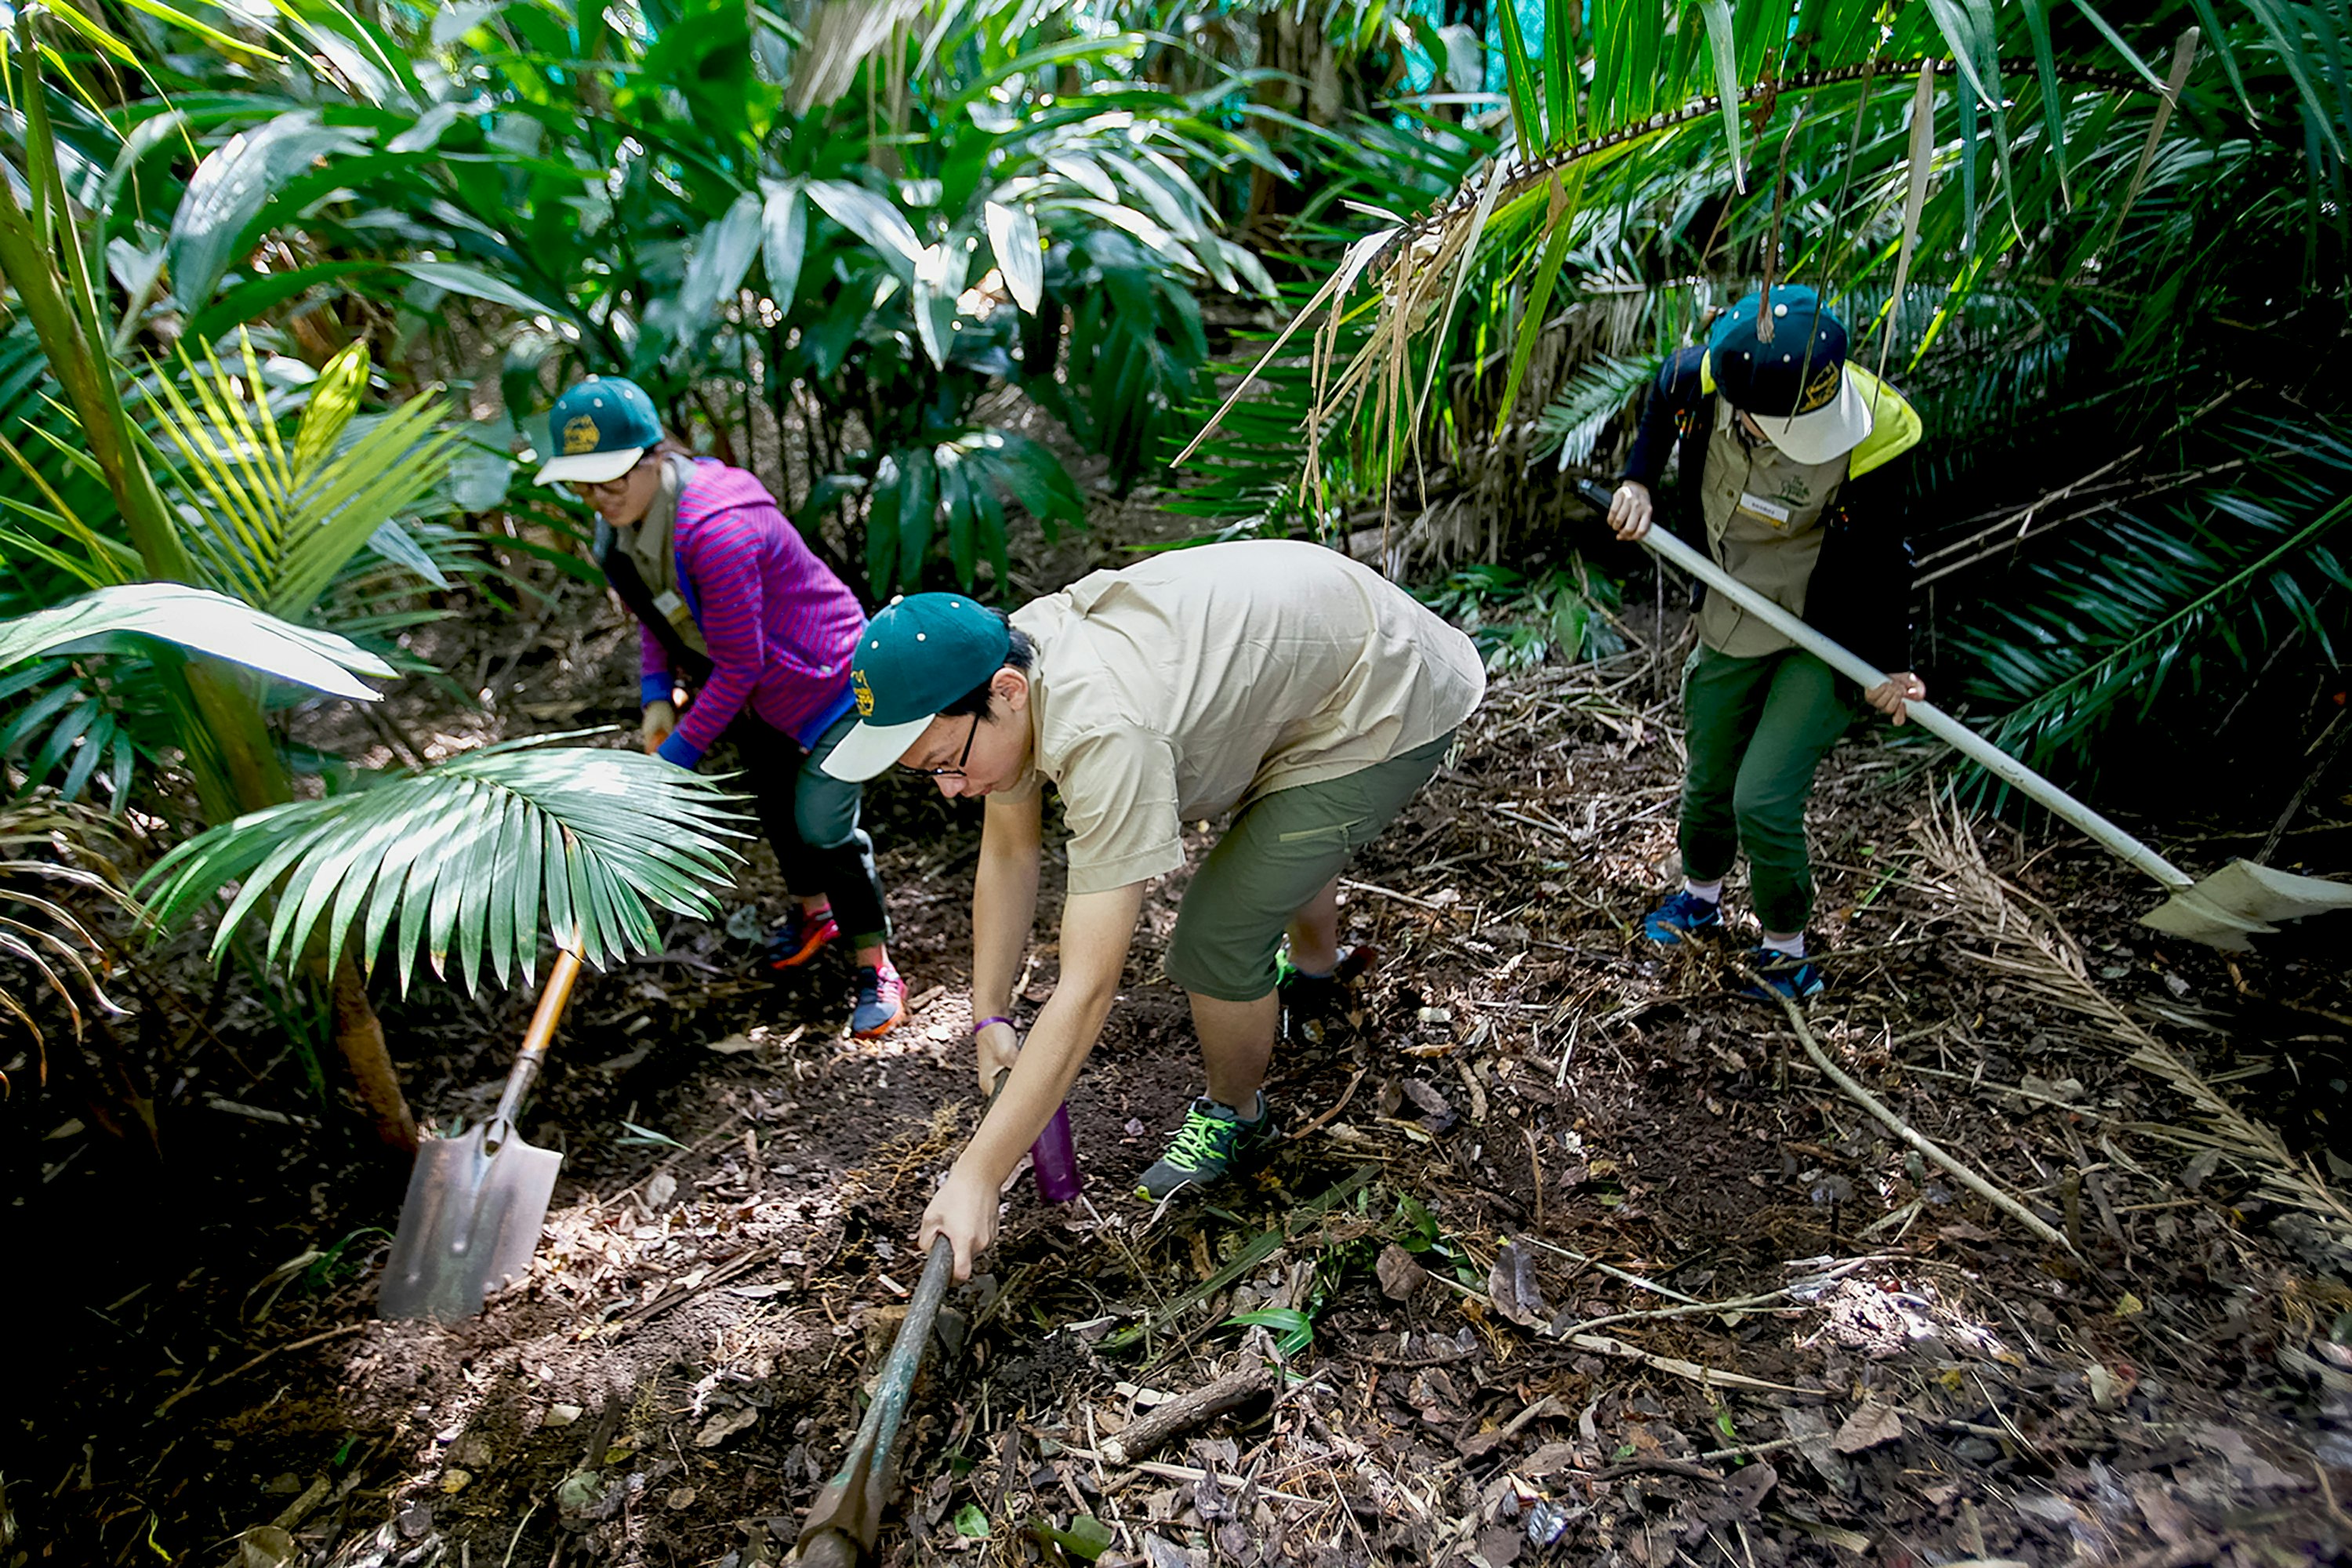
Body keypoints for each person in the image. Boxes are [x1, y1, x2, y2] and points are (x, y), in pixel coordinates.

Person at [817, 541, 1486, 1279]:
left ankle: (1238, 1115)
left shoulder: (1104, 730)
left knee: (1215, 939)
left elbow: (1088, 985)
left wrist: (977, 1174)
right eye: (926, 773)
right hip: (1322, 661)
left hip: (1385, 695)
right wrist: (990, 1015)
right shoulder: (1012, 673)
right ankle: (1319, 972)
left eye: (946, 762)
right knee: (1271, 854)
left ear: (1005, 690)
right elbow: (1009, 852)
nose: (947, 788)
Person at [533, 374, 906, 1038]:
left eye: (611, 480)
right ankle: (814, 914)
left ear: (654, 457)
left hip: (827, 681)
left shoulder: (715, 529)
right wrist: (655, 698)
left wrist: (670, 764)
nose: (598, 497)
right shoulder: (621, 532)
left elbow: (742, 663)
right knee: (774, 805)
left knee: (822, 824)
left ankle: (874, 963)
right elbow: (658, 614)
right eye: (583, 484)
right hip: (759, 698)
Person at [1607, 286, 1925, 1000]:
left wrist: (1894, 664)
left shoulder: (1873, 429)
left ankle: (1787, 952)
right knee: (1711, 774)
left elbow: (1883, 553)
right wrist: (1638, 479)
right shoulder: (1705, 376)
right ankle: (1700, 899)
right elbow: (1661, 397)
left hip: (1824, 629)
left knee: (1763, 796)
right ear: (1743, 409)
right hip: (1733, 604)